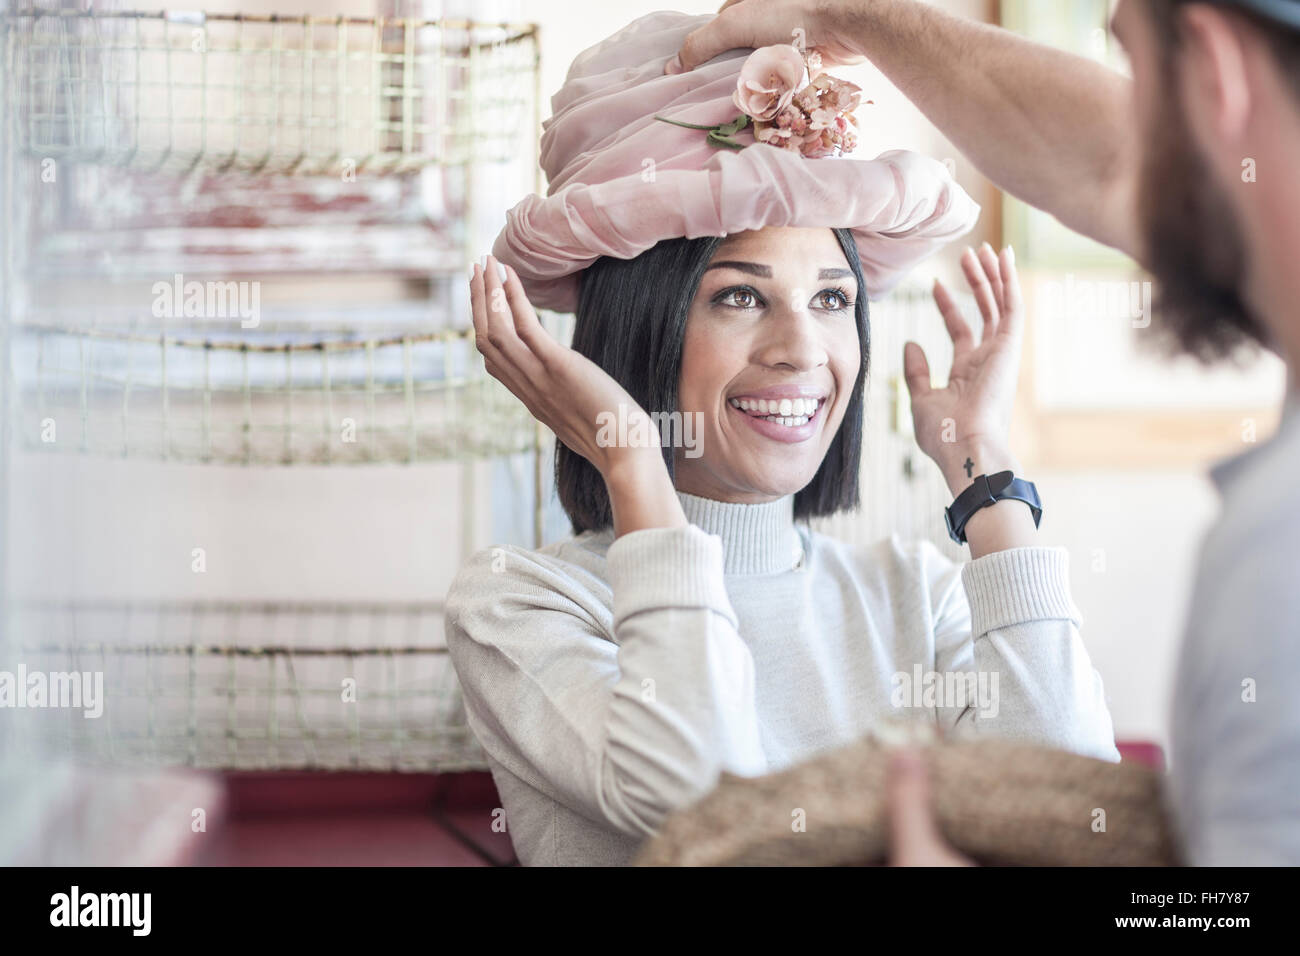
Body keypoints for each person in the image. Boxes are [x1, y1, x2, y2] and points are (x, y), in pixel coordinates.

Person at [445, 11, 1119, 867]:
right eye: (739, 296)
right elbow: (706, 805)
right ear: (640, 323)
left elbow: (1071, 812)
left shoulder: (917, 595)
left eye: (833, 300)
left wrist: (985, 478)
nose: (803, 350)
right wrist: (629, 459)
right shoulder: (523, 605)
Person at [669, 0, 1300, 866]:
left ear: (1216, 70)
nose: (798, 350)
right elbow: (1104, 161)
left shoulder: (1280, 545)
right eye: (740, 295)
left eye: (1135, 79)